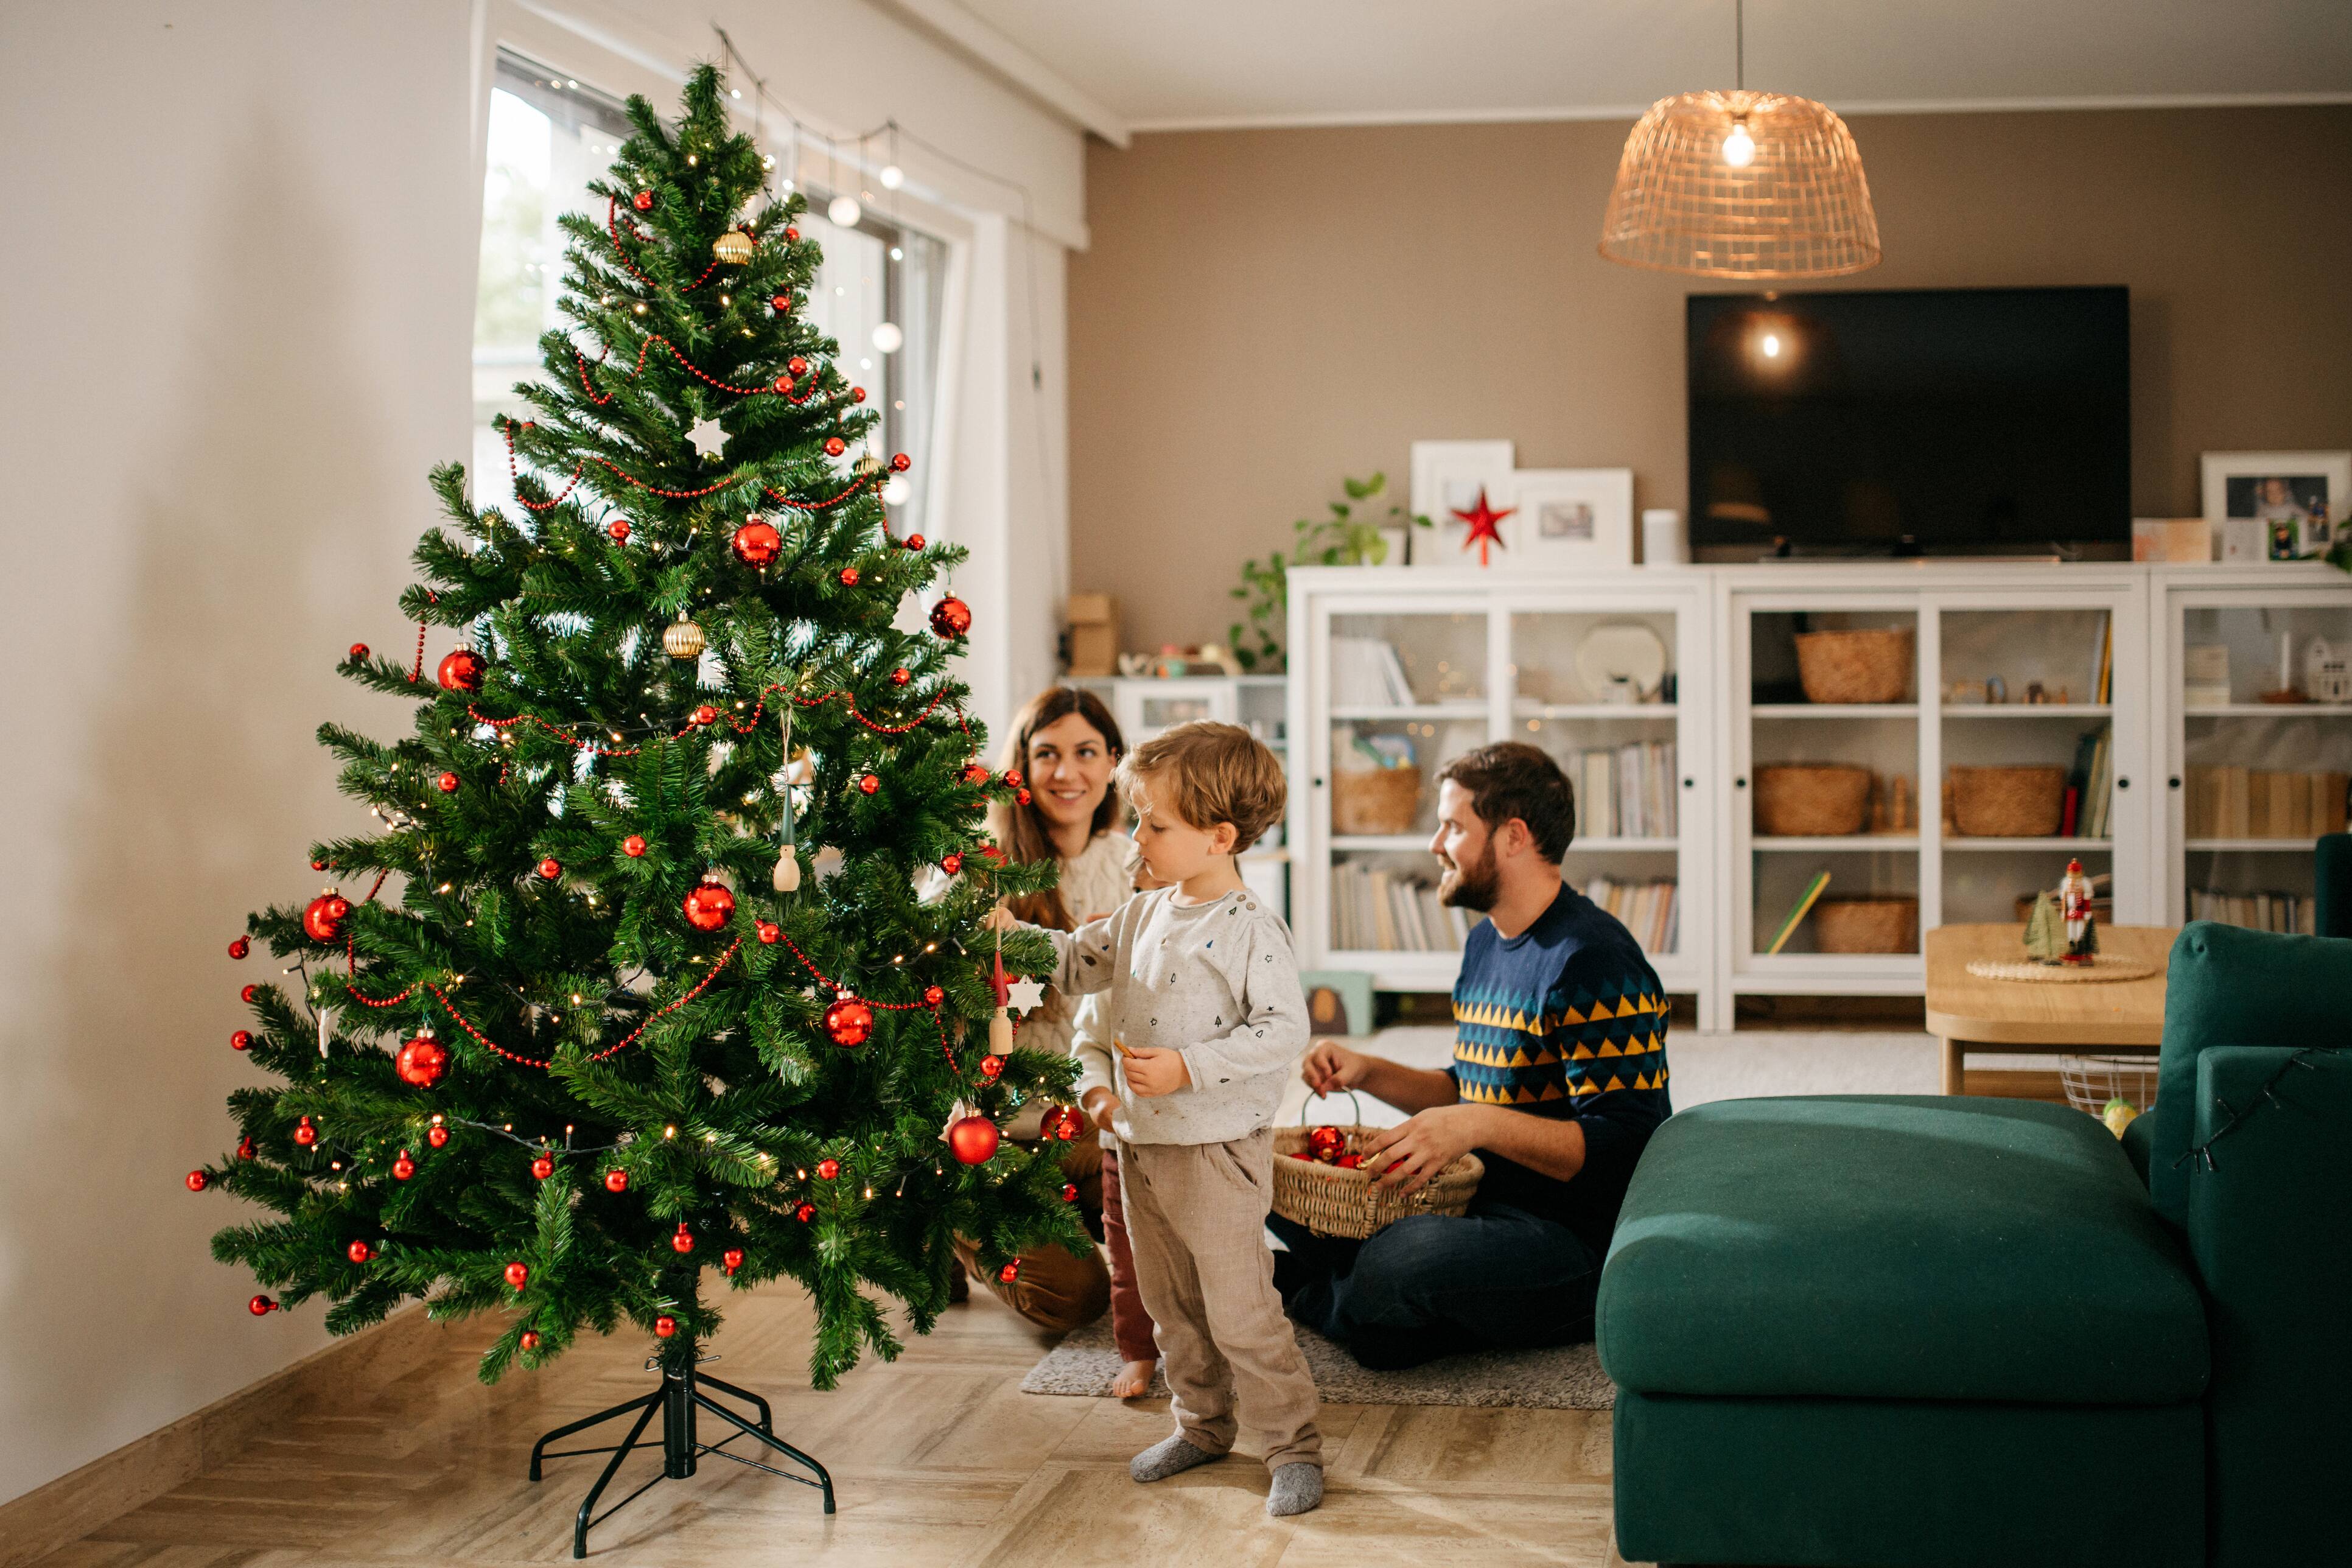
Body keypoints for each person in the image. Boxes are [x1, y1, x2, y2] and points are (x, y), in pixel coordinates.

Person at [990, 721, 1323, 1517]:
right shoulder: (1142, 914)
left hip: (1214, 1155)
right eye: (1137, 816)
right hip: (1140, 1150)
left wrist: (1188, 1067)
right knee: (1171, 1308)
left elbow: (1284, 1030)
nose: (1136, 834)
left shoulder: (1250, 929)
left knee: (1240, 1314)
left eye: (1155, 824)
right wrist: (1010, 936)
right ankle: (1204, 1426)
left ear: (1220, 837)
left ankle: (1294, 1448)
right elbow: (1075, 961)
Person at [1275, 741, 1672, 1370]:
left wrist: (1477, 1123)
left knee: (1399, 1260)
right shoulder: (1488, 941)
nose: (1435, 843)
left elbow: (1628, 1146)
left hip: (1572, 1240)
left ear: (1513, 836)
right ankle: (1368, 1308)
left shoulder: (1594, 959)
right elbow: (1479, 1084)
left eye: (1454, 826)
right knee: (1276, 1180)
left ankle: (1313, 1290)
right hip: (1479, 1197)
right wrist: (1370, 1069)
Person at [948, 687, 1131, 1332]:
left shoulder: (1135, 866)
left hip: (1086, 1125)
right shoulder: (980, 866)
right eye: (1046, 753)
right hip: (989, 1136)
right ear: (1021, 766)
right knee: (1076, 1298)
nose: (1066, 772)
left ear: (1113, 762)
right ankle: (951, 1225)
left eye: (1086, 751)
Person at [1070, 841, 1169, 1398]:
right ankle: (1138, 1349)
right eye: (1137, 897)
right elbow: (1086, 1042)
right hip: (1125, 1146)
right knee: (1128, 1254)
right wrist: (1098, 1097)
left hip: (1201, 1147)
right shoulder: (1116, 971)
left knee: (1206, 1256)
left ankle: (1207, 1345)